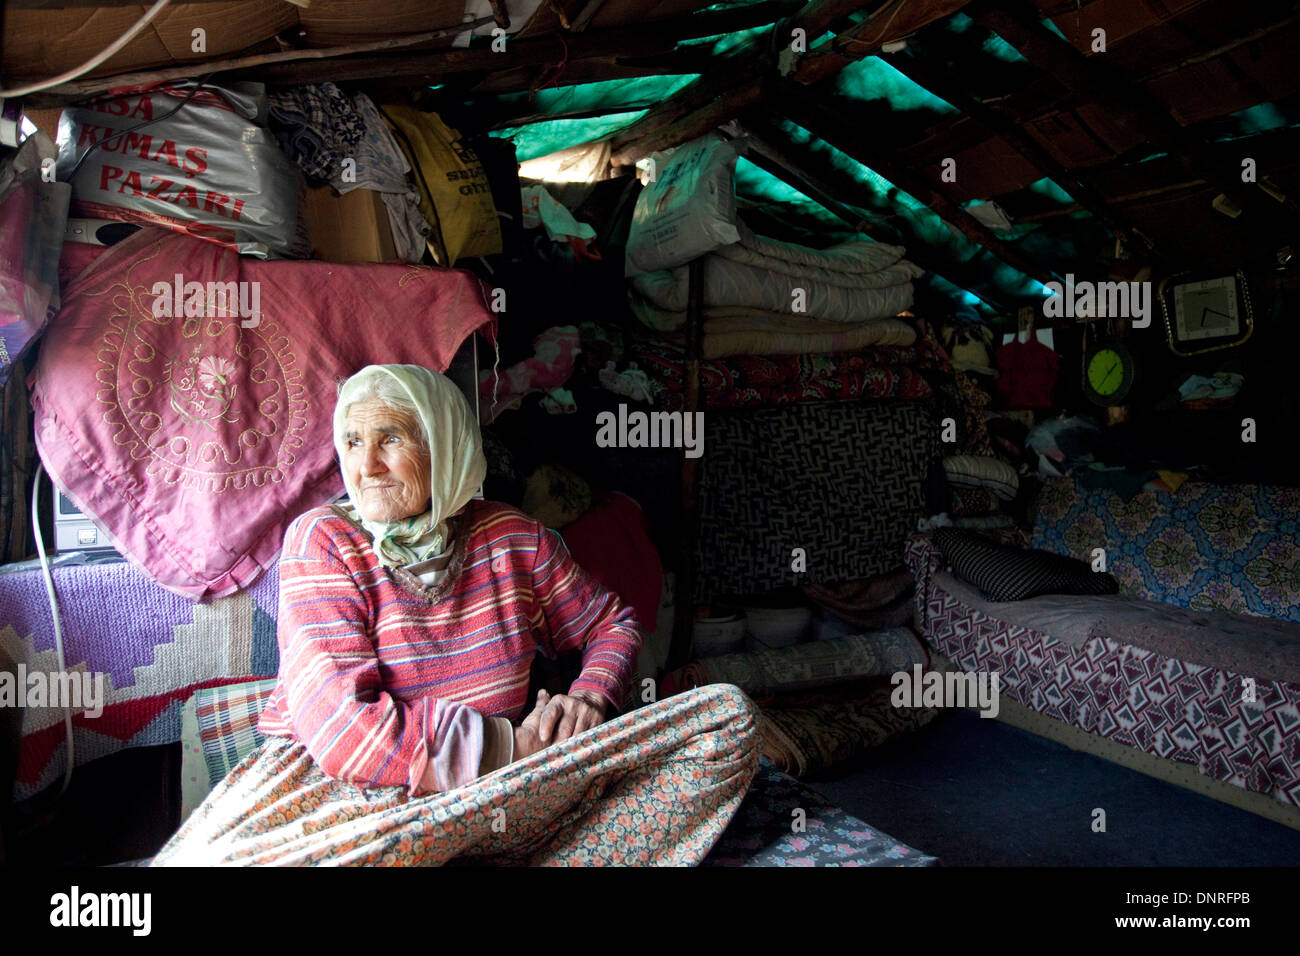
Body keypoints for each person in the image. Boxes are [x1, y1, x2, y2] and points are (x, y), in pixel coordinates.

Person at [151, 363, 758, 866]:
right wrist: (512, 747)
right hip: (361, 793)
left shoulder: (514, 537)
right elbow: (345, 734)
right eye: (353, 443)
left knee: (724, 721)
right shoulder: (325, 540)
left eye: (390, 438)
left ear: (444, 444)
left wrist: (591, 697)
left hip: (499, 791)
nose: (365, 467)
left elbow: (612, 623)